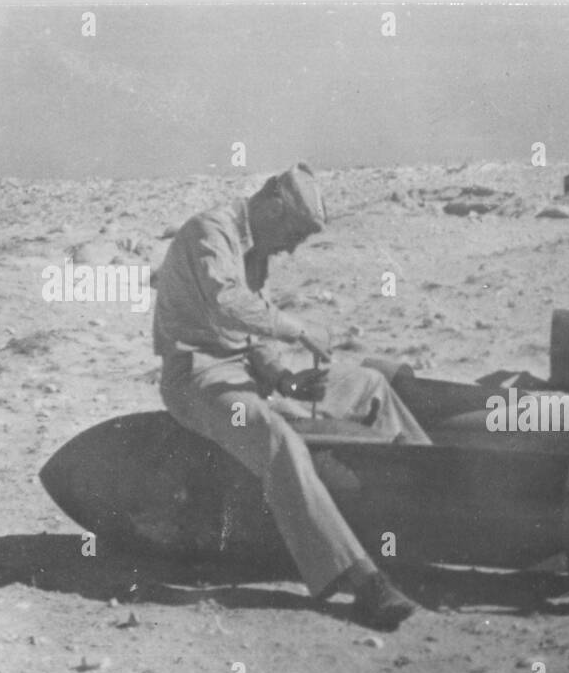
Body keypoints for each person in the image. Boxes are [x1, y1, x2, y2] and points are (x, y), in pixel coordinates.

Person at [152, 162, 428, 630]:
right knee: (277, 440)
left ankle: (426, 507)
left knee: (370, 387)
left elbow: (251, 334)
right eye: (294, 233)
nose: (294, 247)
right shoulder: (210, 232)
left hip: (246, 375)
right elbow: (229, 303)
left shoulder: (253, 249)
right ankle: (361, 580)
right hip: (198, 380)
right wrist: (298, 332)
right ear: (273, 206)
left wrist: (283, 378)